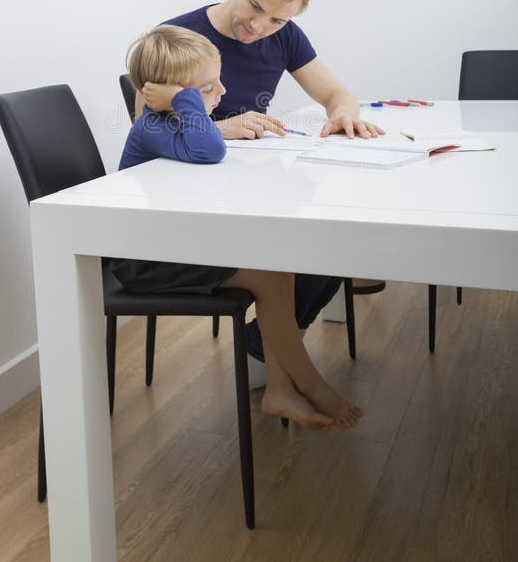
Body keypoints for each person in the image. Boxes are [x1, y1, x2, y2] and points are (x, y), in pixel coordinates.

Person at [134, 0, 384, 387]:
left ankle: (264, 348)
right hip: (200, 199)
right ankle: (274, 359)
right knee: (312, 244)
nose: (260, 26)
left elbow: (336, 93)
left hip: (250, 184)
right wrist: (221, 129)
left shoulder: (283, 35)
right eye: (255, 7)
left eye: (278, 19)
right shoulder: (179, 38)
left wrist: (344, 112)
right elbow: (144, 127)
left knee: (338, 233)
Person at [114, 24, 363, 430]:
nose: (223, 93)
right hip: (148, 261)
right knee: (267, 276)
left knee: (278, 266)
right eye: (209, 88)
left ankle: (280, 388)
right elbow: (210, 150)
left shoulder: (179, 122)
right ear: (171, 96)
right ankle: (311, 384)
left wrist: (188, 100)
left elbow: (206, 142)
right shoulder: (152, 127)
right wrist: (186, 99)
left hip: (176, 246)